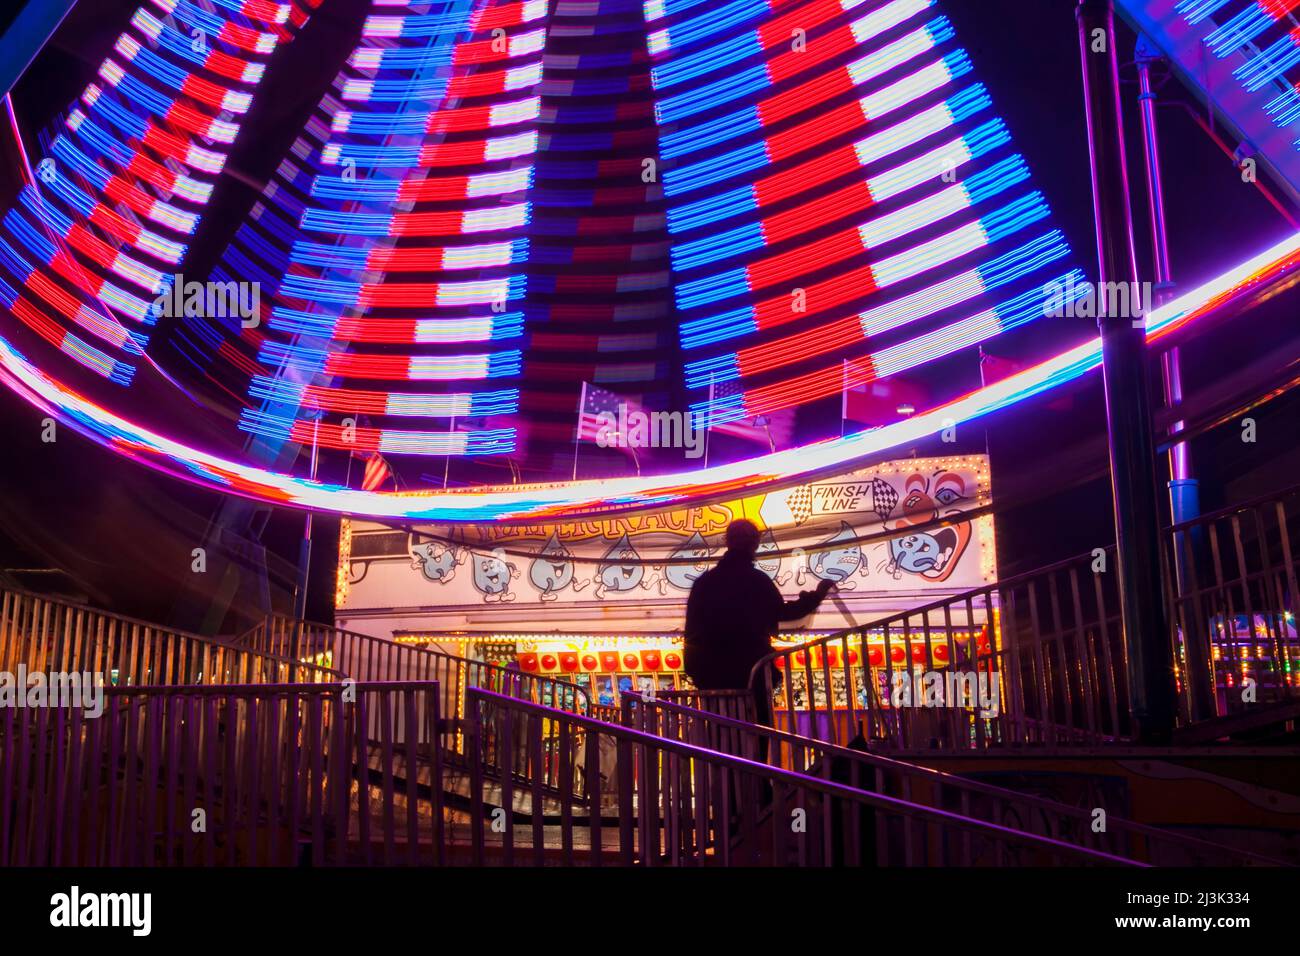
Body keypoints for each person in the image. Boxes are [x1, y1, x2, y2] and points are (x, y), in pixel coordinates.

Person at [684, 519, 834, 727]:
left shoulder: (704, 583)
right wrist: (815, 597)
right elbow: (783, 612)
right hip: (752, 673)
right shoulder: (757, 581)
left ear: (727, 541)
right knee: (756, 733)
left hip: (712, 677)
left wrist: (696, 670)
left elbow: (691, 633)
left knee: (720, 738)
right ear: (755, 544)